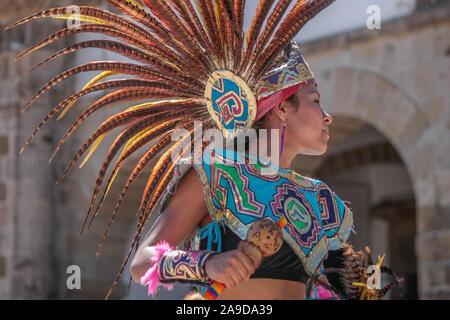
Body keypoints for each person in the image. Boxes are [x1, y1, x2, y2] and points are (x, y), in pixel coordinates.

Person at [130, 42, 354, 300]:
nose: (327, 117)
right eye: (315, 101)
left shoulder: (317, 197)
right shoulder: (217, 173)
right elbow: (142, 263)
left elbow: (317, 290)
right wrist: (208, 264)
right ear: (281, 108)